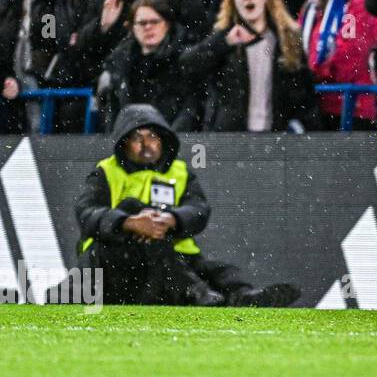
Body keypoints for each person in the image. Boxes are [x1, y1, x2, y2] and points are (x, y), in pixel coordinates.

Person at [73, 104, 300, 306]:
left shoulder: (179, 172)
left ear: (162, 139)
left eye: (152, 136)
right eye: (136, 138)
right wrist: (129, 223)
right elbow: (86, 212)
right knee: (133, 209)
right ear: (124, 143)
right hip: (113, 263)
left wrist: (170, 219)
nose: (146, 145)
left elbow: (198, 209)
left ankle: (244, 296)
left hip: (172, 255)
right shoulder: (106, 171)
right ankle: (197, 294)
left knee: (216, 270)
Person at [182, 0, 320, 132]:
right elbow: (187, 66)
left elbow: (305, 94)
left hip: (275, 139)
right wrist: (224, 43)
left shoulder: (287, 41)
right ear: (233, 2)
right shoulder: (224, 38)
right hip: (229, 140)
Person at [300, 0, 377, 129]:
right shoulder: (309, 8)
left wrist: (311, 76)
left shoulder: (358, 2)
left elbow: (351, 57)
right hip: (316, 106)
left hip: (352, 107)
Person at [100, 0, 201, 132]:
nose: (148, 27)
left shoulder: (185, 59)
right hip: (130, 140)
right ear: (132, 27)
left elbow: (189, 109)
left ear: (167, 24)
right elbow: (113, 112)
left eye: (154, 21)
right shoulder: (121, 63)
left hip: (173, 139)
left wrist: (170, 140)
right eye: (141, 23)